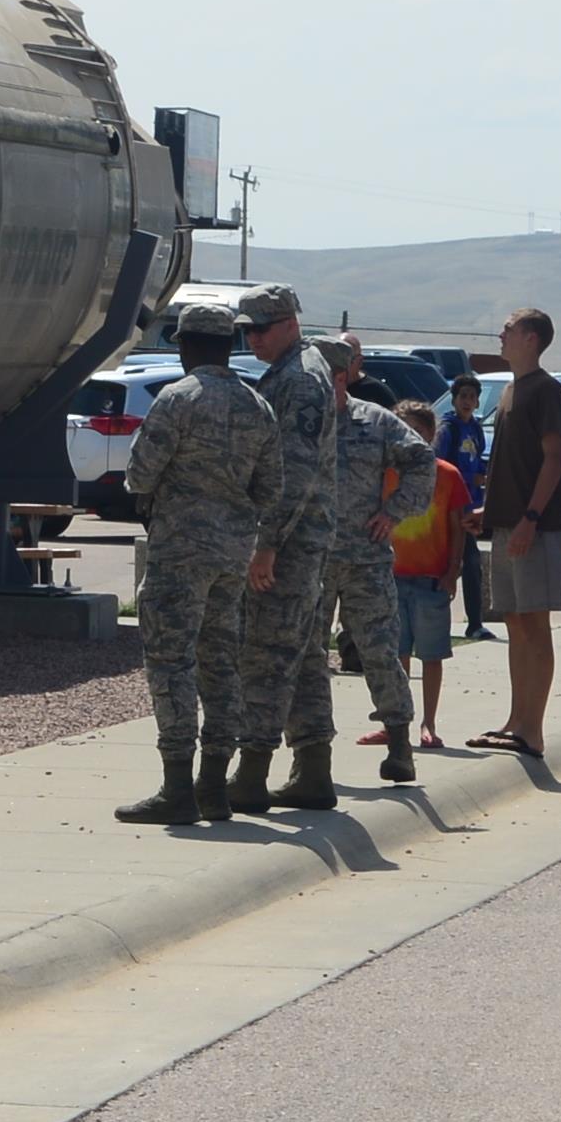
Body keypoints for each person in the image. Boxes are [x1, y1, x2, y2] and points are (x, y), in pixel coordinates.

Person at [111, 306, 282, 829]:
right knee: (220, 665)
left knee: (171, 663)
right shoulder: (257, 406)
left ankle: (177, 787)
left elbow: (140, 475)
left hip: (178, 553)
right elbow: (272, 489)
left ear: (184, 346)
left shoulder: (177, 399)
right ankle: (214, 785)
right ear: (229, 345)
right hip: (231, 556)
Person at [286, 336, 431, 796]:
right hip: (312, 559)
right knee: (308, 657)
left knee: (378, 652)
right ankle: (310, 755)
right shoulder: (299, 424)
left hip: (365, 558)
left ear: (344, 376)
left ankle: (400, 744)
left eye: (326, 375)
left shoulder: (376, 421)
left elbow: (421, 460)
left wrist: (394, 510)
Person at [230, 284, 341, 816]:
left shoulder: (298, 380)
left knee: (267, 655)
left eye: (260, 327)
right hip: (306, 536)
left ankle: (252, 773)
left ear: (289, 323)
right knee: (304, 657)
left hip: (291, 540)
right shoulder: (302, 368)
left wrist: (266, 545)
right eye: (247, 329)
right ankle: (313, 770)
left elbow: (290, 475)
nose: (251, 337)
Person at [469, 308, 561, 759]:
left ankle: (534, 729)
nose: (501, 335)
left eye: (508, 329)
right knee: (514, 622)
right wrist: (489, 511)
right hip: (507, 525)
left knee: (535, 623)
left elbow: (554, 458)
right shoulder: (510, 389)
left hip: (537, 528)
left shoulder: (547, 390)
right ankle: (515, 720)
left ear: (531, 338)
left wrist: (530, 517)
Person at [386, 397, 471, 745]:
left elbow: (458, 527)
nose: (411, 436)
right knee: (395, 654)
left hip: (431, 580)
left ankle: (429, 723)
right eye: (404, 429)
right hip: (391, 577)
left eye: (419, 431)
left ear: (432, 435)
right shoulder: (385, 473)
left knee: (431, 654)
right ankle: (396, 723)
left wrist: (453, 570)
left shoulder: (447, 475)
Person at [434, 374, 494, 641]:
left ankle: (475, 622)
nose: (468, 402)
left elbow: (476, 460)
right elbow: (441, 466)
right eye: (463, 396)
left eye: (472, 397)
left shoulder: (476, 429)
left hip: (471, 506)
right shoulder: (448, 429)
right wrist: (471, 478)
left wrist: (486, 475)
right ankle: (437, 621)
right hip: (451, 507)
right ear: (454, 399)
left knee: (471, 565)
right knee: (458, 562)